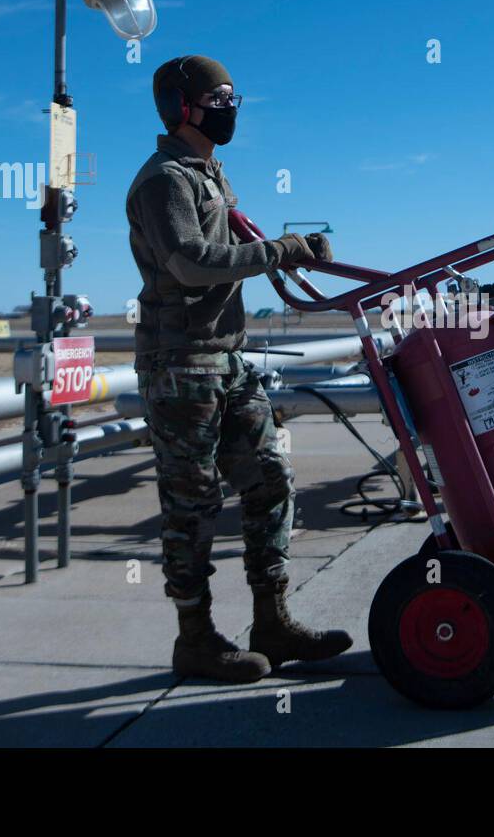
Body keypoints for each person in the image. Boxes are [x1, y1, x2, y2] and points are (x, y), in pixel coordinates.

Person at [126, 54, 352, 683]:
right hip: (181, 366)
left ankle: (272, 621)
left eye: (233, 97)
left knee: (270, 478)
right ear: (181, 107)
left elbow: (229, 249)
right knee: (193, 504)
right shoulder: (163, 180)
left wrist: (290, 249)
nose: (229, 108)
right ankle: (195, 639)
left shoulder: (209, 176)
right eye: (217, 98)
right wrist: (280, 249)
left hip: (226, 358)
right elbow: (193, 263)